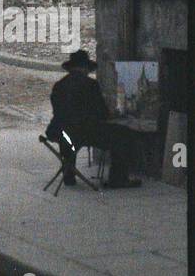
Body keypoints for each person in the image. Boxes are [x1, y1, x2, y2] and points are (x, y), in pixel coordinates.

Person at [45, 49, 141, 190]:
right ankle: (118, 179)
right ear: (85, 68)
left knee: (68, 133)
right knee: (123, 135)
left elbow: (59, 111)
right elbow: (101, 113)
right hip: (83, 131)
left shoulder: (59, 85)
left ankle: (69, 175)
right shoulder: (90, 85)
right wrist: (113, 114)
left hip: (58, 130)